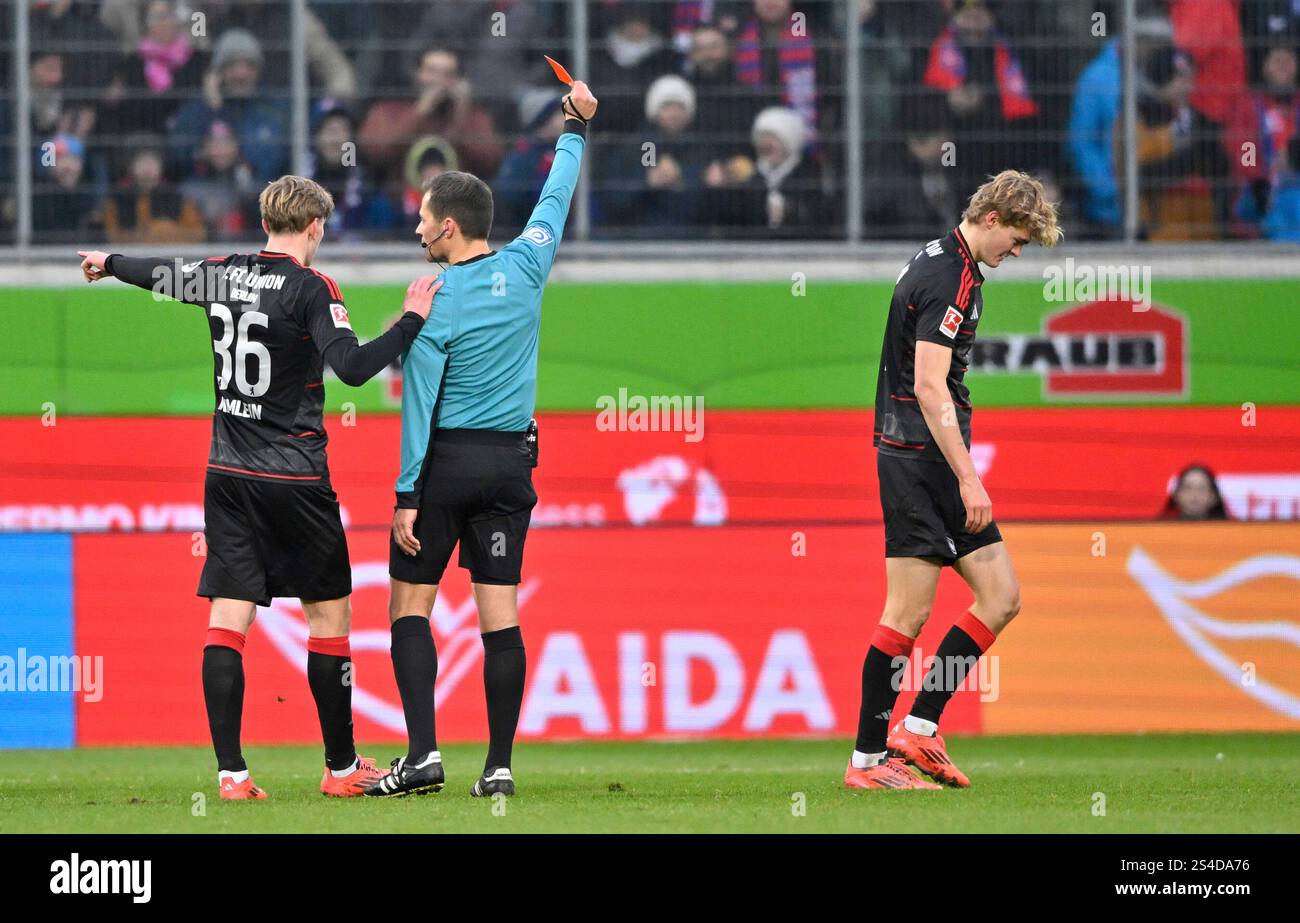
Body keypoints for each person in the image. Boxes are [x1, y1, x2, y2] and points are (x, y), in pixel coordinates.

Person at [76, 175, 442, 800]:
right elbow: (352, 369)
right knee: (329, 617)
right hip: (294, 477)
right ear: (314, 227)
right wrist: (410, 320)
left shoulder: (224, 272)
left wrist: (109, 262)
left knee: (227, 619)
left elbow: (162, 274)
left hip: (226, 473)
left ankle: (232, 775)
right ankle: (341, 767)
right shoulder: (311, 287)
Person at [364, 80, 599, 800]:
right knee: (501, 614)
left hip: (445, 467)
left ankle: (424, 756)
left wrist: (407, 495)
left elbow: (420, 409)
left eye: (425, 221)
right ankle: (498, 764)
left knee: (409, 610)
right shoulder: (527, 263)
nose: (417, 231)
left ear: (450, 228)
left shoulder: (433, 300)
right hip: (509, 467)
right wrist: (575, 128)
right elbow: (554, 199)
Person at [849, 171, 1061, 790]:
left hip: (931, 454)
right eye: (1017, 240)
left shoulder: (945, 259)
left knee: (1001, 597)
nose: (1016, 254)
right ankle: (866, 762)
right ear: (993, 218)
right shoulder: (950, 279)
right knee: (907, 614)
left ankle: (918, 726)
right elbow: (929, 386)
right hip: (919, 459)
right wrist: (971, 479)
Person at [1160, 464, 1230, 520]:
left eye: (1201, 489)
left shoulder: (1231, 533)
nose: (1194, 495)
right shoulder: (1158, 530)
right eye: (1188, 488)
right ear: (1176, 495)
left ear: (1213, 497)